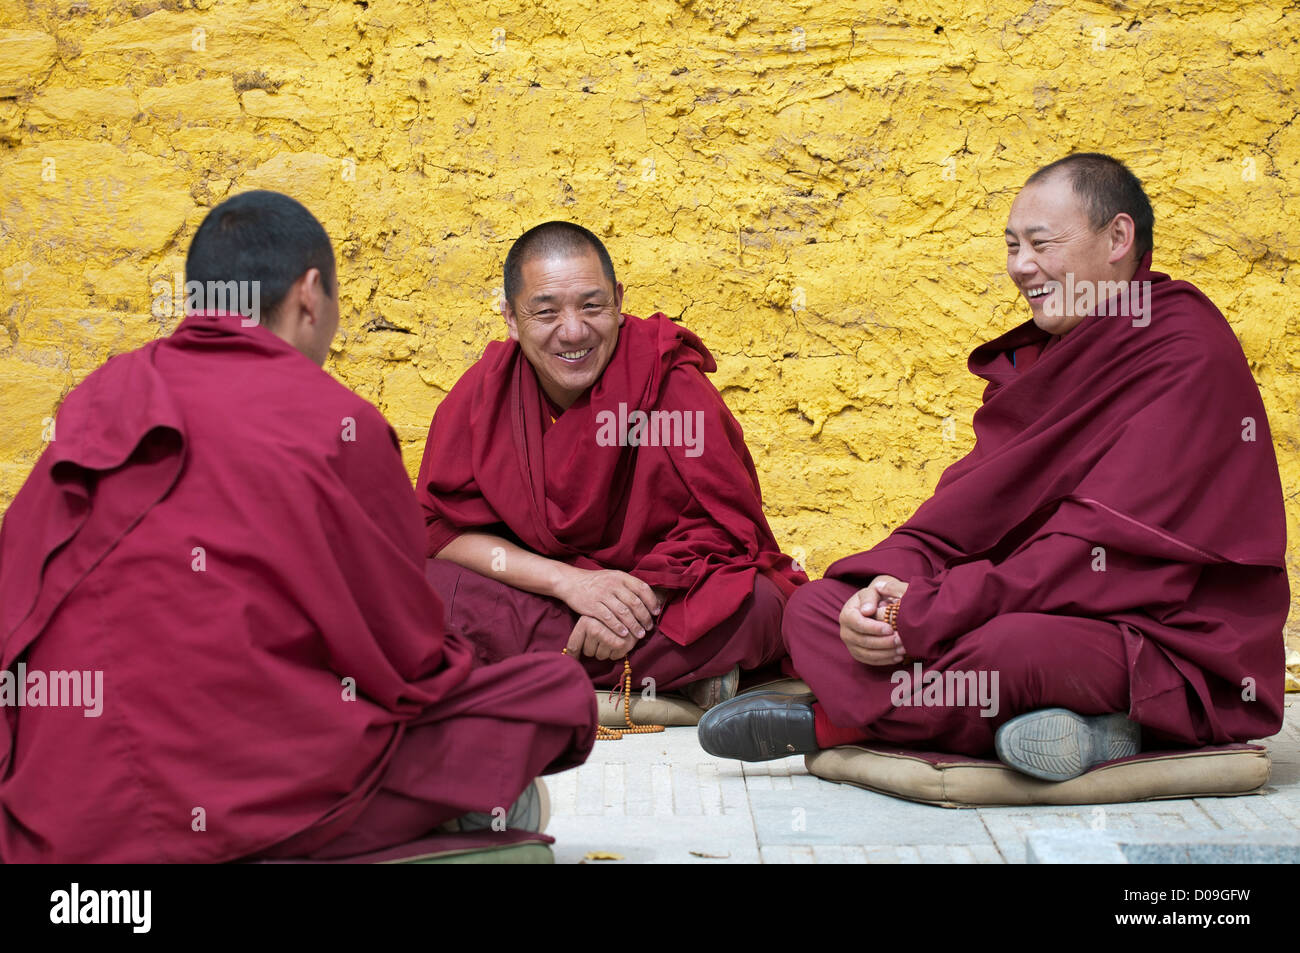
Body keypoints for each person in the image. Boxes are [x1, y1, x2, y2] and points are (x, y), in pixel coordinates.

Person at [0, 191, 596, 863]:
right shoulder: (335, 422)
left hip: (64, 807)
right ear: (311, 294)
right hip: (252, 792)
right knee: (551, 695)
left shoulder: (99, 399)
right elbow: (411, 661)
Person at [700, 153, 1288, 780]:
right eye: (1011, 246)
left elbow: (1093, 554)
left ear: (1118, 238)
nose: (1021, 267)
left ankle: (832, 723)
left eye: (1040, 244)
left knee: (1007, 653)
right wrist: (879, 595)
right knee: (815, 609)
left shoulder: (1182, 349)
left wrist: (928, 610)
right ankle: (1089, 733)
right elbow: (959, 520)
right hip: (1005, 599)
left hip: (1150, 636)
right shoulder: (1057, 357)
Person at [417, 222, 805, 711]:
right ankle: (673, 678)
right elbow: (438, 532)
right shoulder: (484, 395)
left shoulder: (667, 381)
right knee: (422, 590)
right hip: (550, 595)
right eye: (546, 312)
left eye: (592, 305)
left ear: (618, 301)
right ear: (511, 319)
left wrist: (631, 607)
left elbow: (728, 530)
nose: (574, 331)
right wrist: (572, 584)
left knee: (760, 608)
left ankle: (542, 672)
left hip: (656, 598)